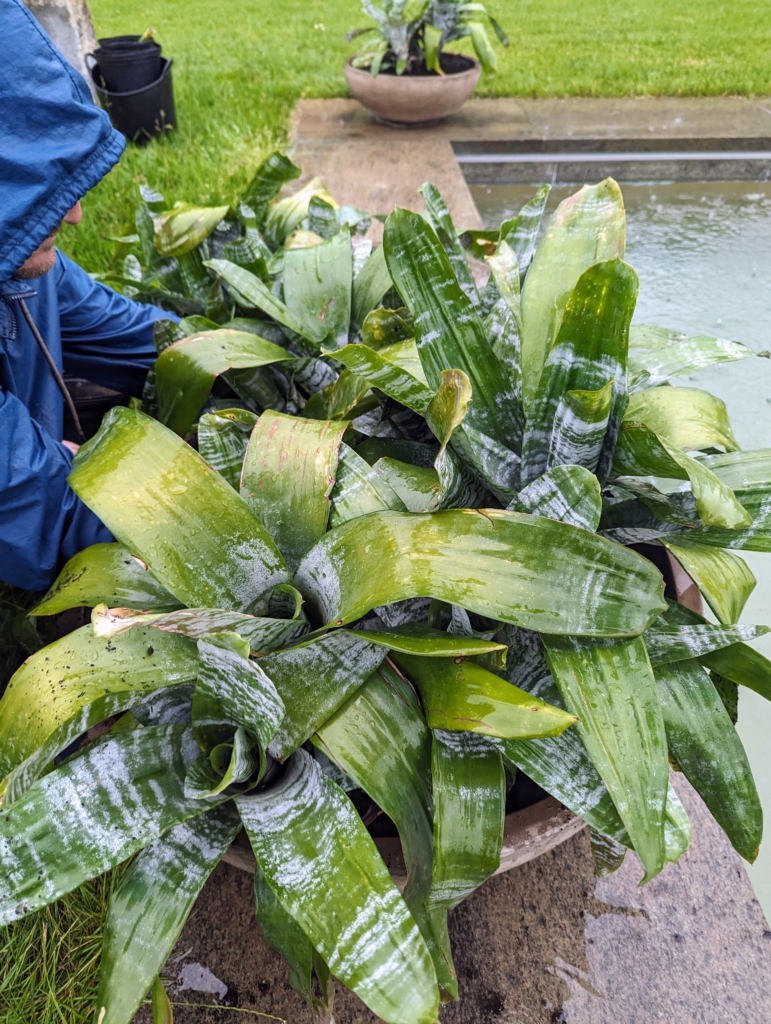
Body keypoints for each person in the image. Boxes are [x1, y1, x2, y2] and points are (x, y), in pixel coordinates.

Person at [0, 0, 178, 592]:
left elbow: (135, 335)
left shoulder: (21, 259)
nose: (75, 214)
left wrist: (247, 363)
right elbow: (50, 516)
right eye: (40, 193)